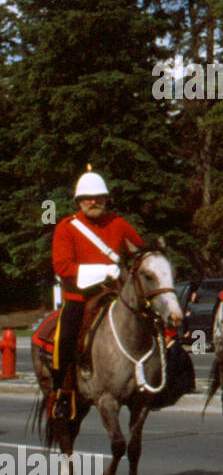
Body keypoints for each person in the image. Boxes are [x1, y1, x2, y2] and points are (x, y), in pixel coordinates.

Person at [49, 167, 145, 421]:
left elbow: (139, 252)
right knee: (65, 337)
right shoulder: (66, 228)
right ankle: (62, 391)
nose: (94, 202)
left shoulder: (118, 223)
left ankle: (161, 381)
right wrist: (104, 270)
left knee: (152, 323)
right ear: (79, 201)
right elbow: (63, 268)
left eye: (99, 197)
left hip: (115, 297)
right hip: (79, 298)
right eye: (88, 198)